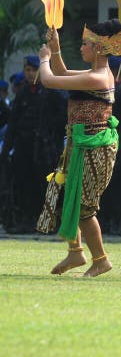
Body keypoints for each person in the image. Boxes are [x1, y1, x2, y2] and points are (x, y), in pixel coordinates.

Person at [35, 21, 121, 276]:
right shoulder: (93, 74)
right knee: (69, 197)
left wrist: (44, 58)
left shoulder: (97, 77)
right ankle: (75, 252)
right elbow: (61, 72)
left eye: (85, 44)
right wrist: (55, 48)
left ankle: (101, 260)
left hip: (94, 147)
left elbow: (50, 80)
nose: (82, 47)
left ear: (98, 48)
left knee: (84, 207)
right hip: (80, 143)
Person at [1, 56, 66, 232]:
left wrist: (48, 129)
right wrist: (6, 150)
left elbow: (64, 118)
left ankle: (49, 221)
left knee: (45, 186)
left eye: (34, 70)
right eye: (27, 70)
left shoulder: (52, 92)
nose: (30, 74)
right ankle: (27, 221)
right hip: (24, 147)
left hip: (45, 149)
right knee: (24, 184)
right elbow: (13, 123)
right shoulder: (23, 92)